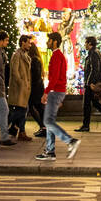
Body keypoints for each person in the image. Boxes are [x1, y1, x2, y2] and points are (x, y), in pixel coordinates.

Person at [36, 31, 80, 161]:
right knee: (49, 121)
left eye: (49, 40)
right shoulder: (58, 55)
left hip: (55, 91)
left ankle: (70, 141)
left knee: (48, 121)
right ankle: (50, 151)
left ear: (54, 42)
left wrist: (46, 92)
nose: (47, 42)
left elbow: (54, 78)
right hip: (58, 91)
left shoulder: (56, 56)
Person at [8, 35, 34, 141]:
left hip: (24, 88)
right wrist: (21, 83)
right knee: (23, 109)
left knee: (23, 108)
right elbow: (15, 71)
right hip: (20, 88)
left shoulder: (25, 55)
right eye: (28, 42)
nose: (30, 45)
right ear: (23, 43)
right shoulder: (17, 55)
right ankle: (7, 123)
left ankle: (18, 130)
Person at [27, 36, 47, 137]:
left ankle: (43, 127)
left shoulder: (34, 60)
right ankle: (43, 127)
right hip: (38, 87)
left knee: (33, 107)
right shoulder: (37, 59)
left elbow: (35, 75)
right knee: (38, 107)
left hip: (35, 88)